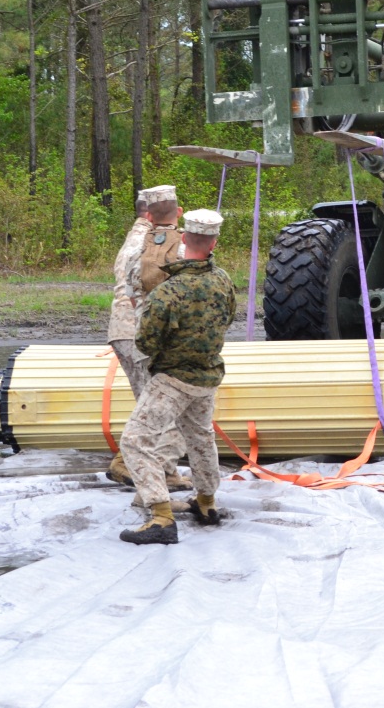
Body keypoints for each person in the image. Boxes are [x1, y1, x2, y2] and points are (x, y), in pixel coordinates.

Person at [119, 208, 237, 546]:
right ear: (214, 241)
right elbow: (227, 318)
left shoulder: (167, 293)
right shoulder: (223, 280)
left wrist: (138, 308)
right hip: (207, 377)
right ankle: (206, 503)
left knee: (135, 441)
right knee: (200, 439)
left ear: (184, 238)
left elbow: (145, 342)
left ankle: (161, 516)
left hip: (172, 380)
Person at [105, 185, 185, 488]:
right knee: (162, 407)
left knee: (150, 403)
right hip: (144, 331)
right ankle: (132, 465)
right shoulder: (157, 243)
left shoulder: (134, 237)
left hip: (124, 331)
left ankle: (164, 471)